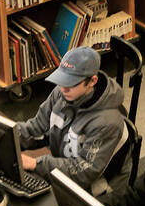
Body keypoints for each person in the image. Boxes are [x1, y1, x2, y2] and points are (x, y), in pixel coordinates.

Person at [18, 46, 127, 191]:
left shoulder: (107, 122)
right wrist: (10, 137)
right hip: (63, 167)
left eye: (71, 83)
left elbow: (85, 171)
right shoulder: (62, 92)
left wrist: (36, 164)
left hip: (96, 186)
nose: (63, 88)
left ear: (92, 81)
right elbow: (38, 127)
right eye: (62, 80)